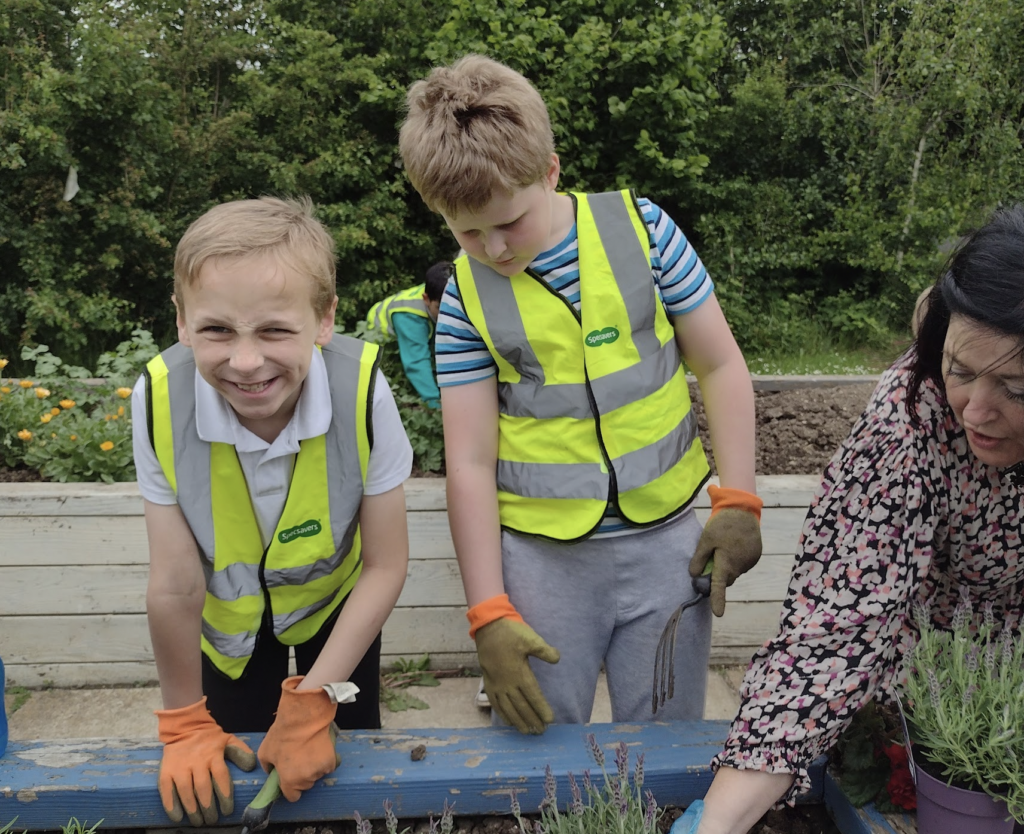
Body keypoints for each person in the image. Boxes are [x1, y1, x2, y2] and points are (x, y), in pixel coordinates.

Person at [397, 54, 763, 734]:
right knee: (541, 744)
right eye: (466, 231)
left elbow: (719, 366)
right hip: (542, 564)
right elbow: (469, 463)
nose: (495, 248)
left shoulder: (645, 231)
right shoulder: (461, 304)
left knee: (665, 736)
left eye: (510, 221)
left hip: (668, 547)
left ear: (551, 171)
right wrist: (488, 611)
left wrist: (739, 499)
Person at [673, 203, 1024, 833]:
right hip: (941, 688)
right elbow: (835, 629)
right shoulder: (909, 420)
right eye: (961, 372)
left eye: (1016, 391)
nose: (975, 411)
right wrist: (717, 828)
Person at [131, 196, 413, 825]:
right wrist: (182, 720)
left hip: (336, 609)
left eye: (275, 330)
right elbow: (175, 583)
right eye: (216, 330)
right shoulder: (158, 398)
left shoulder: (363, 389)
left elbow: (387, 565)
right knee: (231, 778)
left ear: (324, 319)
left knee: (345, 765)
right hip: (226, 630)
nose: (247, 361)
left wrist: (316, 700)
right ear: (181, 321)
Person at [365, 260, 451, 409]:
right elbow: (416, 363)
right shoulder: (410, 317)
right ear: (426, 299)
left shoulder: (442, 289)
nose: (447, 315)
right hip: (382, 343)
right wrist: (436, 405)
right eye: (440, 308)